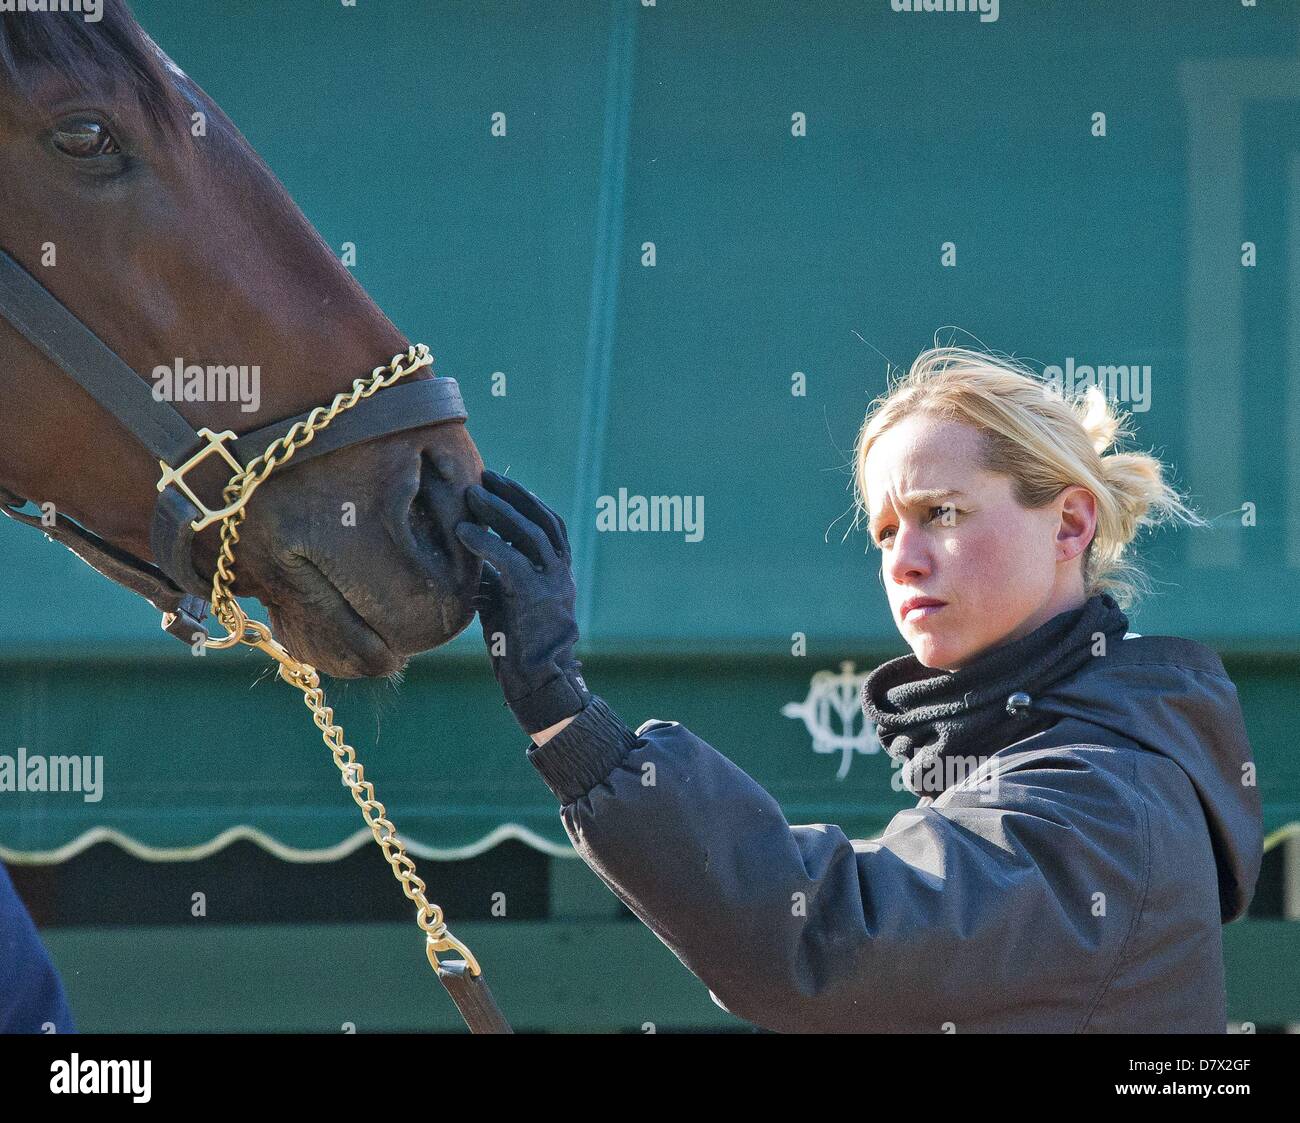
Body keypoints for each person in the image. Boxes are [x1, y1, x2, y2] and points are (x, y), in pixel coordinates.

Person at [453, 345, 1263, 1034]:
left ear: (1070, 524)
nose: (903, 558)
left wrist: (567, 714)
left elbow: (827, 938)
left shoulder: (1112, 791)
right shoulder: (1069, 750)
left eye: (941, 512)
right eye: (884, 530)